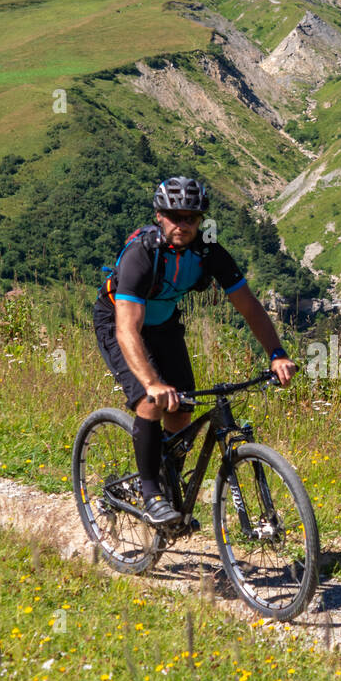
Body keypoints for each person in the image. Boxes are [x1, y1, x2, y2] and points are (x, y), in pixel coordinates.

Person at [92, 176, 298, 524]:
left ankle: (167, 482)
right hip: (118, 324)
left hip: (164, 325)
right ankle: (151, 493)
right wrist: (152, 383)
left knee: (183, 410)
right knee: (150, 400)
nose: (183, 224)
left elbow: (249, 307)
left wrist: (276, 353)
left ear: (201, 220)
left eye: (192, 217)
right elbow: (128, 329)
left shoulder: (208, 252)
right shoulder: (142, 255)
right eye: (175, 216)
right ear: (159, 215)